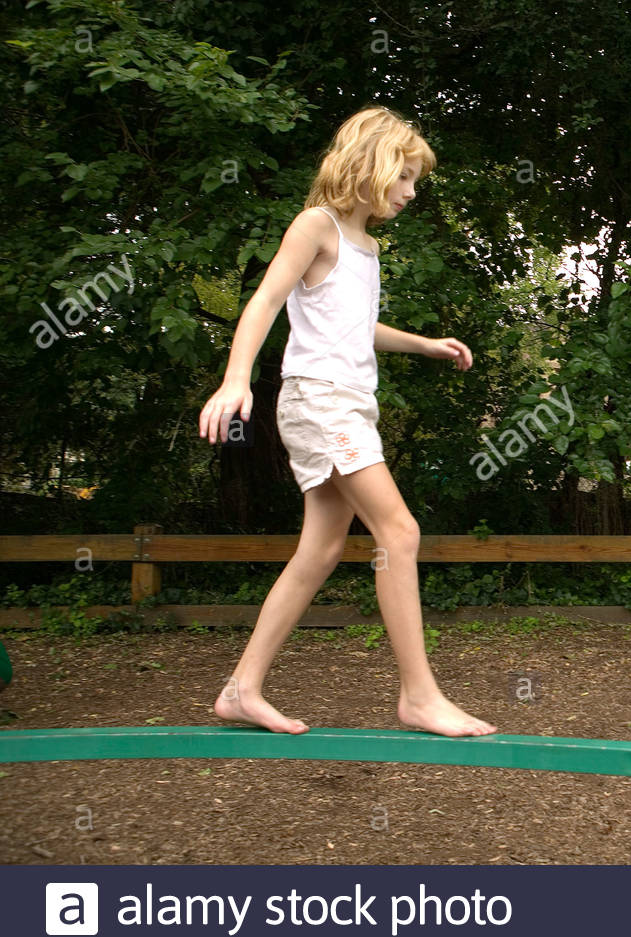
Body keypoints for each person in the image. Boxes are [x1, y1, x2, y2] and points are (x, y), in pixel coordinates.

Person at [198, 105, 497, 737]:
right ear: (372, 165)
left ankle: (241, 688)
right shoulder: (317, 225)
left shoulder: (365, 247)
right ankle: (419, 696)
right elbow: (264, 302)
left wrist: (424, 344)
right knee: (400, 531)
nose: (412, 192)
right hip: (321, 401)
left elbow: (356, 329)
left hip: (350, 401)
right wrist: (235, 379)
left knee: (324, 546)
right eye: (406, 177)